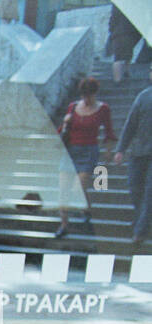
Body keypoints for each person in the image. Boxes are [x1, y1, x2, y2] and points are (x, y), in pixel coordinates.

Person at [56, 77, 116, 238]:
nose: (86, 99)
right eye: (83, 95)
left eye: (89, 95)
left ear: (95, 93)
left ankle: (86, 209)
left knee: (79, 188)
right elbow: (61, 131)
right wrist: (65, 122)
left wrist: (108, 152)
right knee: (63, 190)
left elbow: (109, 132)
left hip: (89, 151)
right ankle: (64, 225)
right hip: (70, 152)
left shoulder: (103, 109)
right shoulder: (73, 107)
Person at [116, 66, 152, 245]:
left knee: (149, 193)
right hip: (139, 151)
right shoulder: (143, 96)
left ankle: (140, 231)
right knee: (134, 188)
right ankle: (142, 219)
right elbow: (130, 124)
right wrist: (120, 149)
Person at [110, 6, 139, 85]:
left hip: (119, 33)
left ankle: (117, 80)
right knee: (128, 55)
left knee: (118, 58)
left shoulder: (118, 6)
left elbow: (113, 20)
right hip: (130, 34)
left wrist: (112, 31)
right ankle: (126, 72)